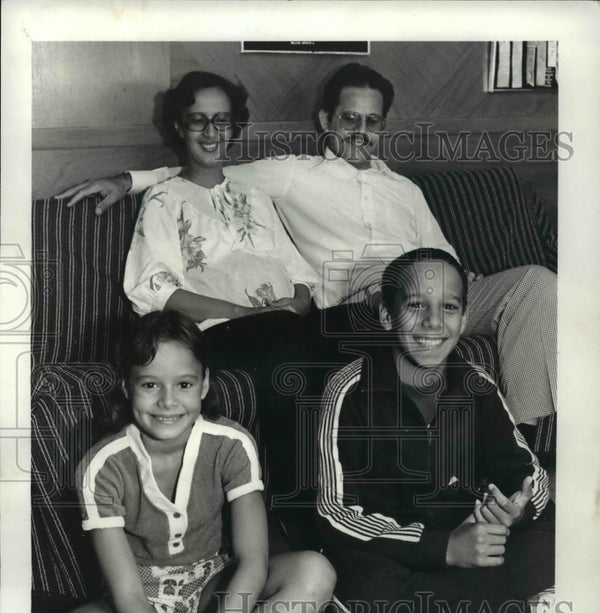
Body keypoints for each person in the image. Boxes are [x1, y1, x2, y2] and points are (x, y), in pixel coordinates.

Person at [58, 62, 557, 435]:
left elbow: (436, 255)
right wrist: (129, 180)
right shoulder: (292, 174)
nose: (360, 132)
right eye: (349, 118)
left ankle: (527, 446)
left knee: (538, 282)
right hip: (368, 296)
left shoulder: (403, 189)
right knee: (360, 324)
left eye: (372, 122)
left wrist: (456, 285)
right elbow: (205, 173)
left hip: (437, 290)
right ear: (325, 119)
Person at [37, 310, 336, 613]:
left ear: (205, 385)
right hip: (138, 601)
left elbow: (253, 565)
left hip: (209, 585)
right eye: (149, 384)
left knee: (315, 573)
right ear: (126, 387)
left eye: (184, 384)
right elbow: (127, 594)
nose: (167, 401)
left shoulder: (231, 445)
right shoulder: (101, 467)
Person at [315, 249, 554, 613]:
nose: (432, 323)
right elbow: (335, 513)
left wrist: (514, 511)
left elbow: (529, 475)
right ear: (387, 316)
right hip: (387, 549)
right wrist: (444, 549)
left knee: (570, 532)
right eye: (415, 306)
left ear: (464, 319)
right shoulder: (348, 388)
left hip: (461, 533)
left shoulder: (475, 382)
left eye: (448, 307)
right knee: (350, 579)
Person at [122, 70, 318, 372]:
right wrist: (243, 313)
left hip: (283, 326)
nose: (211, 133)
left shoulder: (255, 197)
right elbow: (155, 289)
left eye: (221, 121)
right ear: (179, 127)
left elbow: (300, 274)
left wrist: (300, 304)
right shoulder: (164, 199)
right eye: (198, 120)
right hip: (220, 334)